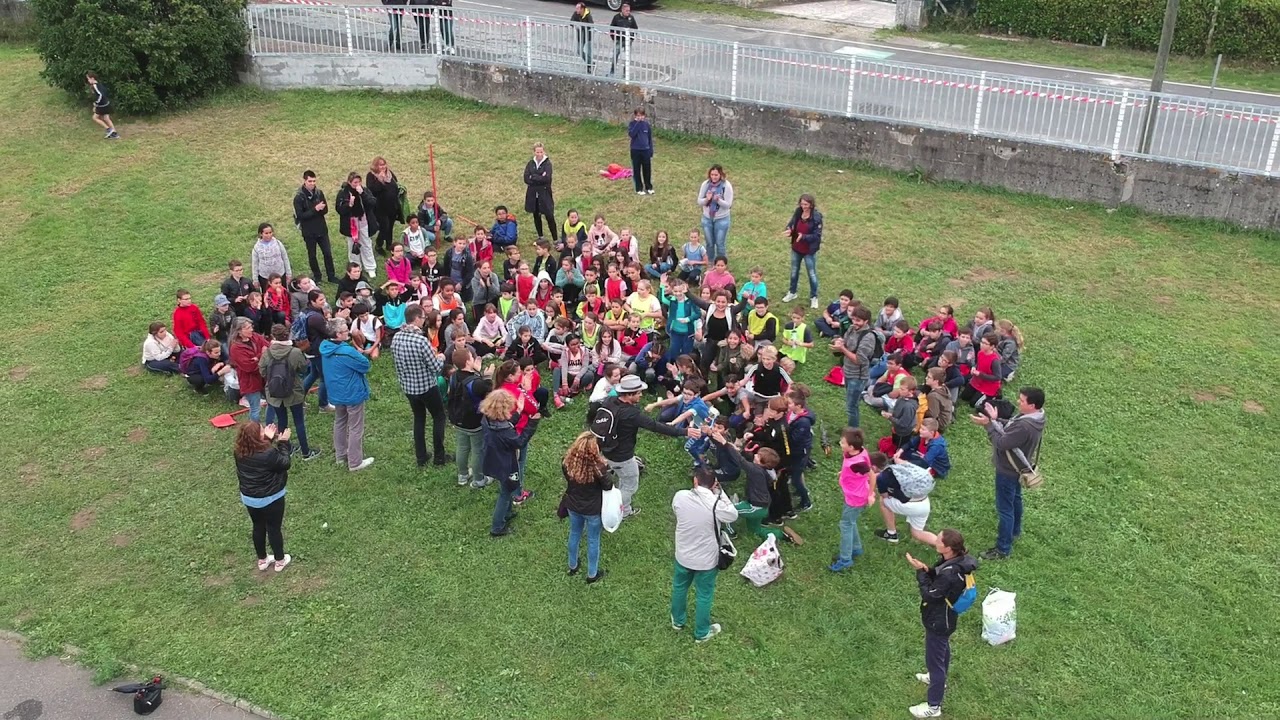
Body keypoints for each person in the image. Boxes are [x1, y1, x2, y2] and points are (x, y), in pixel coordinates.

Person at [591, 374, 700, 518]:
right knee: (630, 484)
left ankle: (621, 505)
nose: (641, 395)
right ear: (629, 394)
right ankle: (618, 512)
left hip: (607, 449)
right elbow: (655, 426)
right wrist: (684, 431)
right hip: (621, 456)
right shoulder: (631, 414)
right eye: (638, 392)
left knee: (624, 478)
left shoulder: (611, 400)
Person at [905, 529, 978, 718]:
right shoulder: (959, 561)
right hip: (947, 617)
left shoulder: (950, 574)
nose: (935, 540)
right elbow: (938, 578)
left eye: (938, 539)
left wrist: (920, 574)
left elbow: (931, 594)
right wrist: (925, 569)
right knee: (942, 649)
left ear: (947, 548)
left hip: (939, 621)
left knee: (934, 660)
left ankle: (933, 706)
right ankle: (938, 679)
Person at [971, 386, 1046, 560]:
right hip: (1018, 468)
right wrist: (997, 420)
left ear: (1032, 405)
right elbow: (1012, 429)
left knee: (1005, 509)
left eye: (1022, 400)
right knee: (1015, 499)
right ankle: (1015, 530)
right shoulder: (1037, 417)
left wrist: (989, 425)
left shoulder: (1025, 426)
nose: (1018, 402)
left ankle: (1003, 548)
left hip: (1008, 470)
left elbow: (1002, 442)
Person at [670, 467, 739, 643]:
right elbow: (733, 515)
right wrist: (721, 493)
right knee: (704, 595)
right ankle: (701, 633)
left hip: (683, 555)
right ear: (714, 484)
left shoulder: (680, 496)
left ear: (695, 481)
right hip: (706, 561)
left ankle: (677, 621)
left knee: (679, 587)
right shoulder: (716, 505)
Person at [391, 304, 449, 469]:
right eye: (423, 318)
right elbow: (436, 368)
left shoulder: (396, 337)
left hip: (408, 387)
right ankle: (439, 457)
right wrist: (441, 357)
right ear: (416, 319)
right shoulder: (421, 340)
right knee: (439, 417)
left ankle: (421, 457)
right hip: (426, 387)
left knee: (419, 418)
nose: (424, 321)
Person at [233, 421, 293, 573]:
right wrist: (283, 442)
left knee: (258, 526)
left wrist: (267, 439)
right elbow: (284, 463)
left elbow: (259, 452)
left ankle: (262, 560)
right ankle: (279, 561)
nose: (263, 432)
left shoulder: (239, 451)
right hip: (271, 497)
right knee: (273, 528)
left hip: (250, 498)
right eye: (261, 432)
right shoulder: (268, 454)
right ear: (255, 437)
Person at [482, 390, 541, 537]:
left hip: (493, 459)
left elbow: (505, 424)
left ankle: (507, 513)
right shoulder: (506, 431)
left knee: (506, 488)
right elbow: (519, 442)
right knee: (505, 492)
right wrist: (532, 423)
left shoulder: (488, 420)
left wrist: (519, 412)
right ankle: (497, 527)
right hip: (506, 464)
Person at [320, 318, 375, 472]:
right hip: (352, 393)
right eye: (345, 331)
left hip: (336, 392)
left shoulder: (325, 347)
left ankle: (341, 455)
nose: (348, 333)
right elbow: (365, 365)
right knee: (356, 427)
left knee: (340, 422)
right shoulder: (346, 352)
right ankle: (355, 462)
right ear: (338, 334)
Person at [260, 324, 318, 460]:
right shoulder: (295, 352)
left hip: (274, 393)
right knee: (299, 422)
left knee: (282, 421)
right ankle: (306, 452)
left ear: (273, 337)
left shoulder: (266, 353)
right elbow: (304, 369)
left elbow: (262, 371)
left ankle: (287, 449)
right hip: (294, 392)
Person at [562, 431, 614, 582]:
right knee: (593, 540)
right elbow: (608, 486)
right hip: (592, 510)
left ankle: (572, 565)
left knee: (574, 533)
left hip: (572, 505)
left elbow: (568, 479)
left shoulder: (567, 463)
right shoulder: (599, 468)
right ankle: (592, 574)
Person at [448, 347, 492, 488]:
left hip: (458, 418)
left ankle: (462, 475)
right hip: (474, 422)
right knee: (477, 449)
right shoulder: (477, 382)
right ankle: (479, 479)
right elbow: (487, 392)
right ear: (468, 362)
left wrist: (477, 372)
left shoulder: (454, 375)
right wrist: (487, 377)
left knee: (462, 446)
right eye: (472, 358)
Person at [871, 451, 937, 546]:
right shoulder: (898, 463)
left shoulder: (882, 477)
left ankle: (891, 534)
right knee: (917, 533)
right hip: (924, 502)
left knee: (883, 502)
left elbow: (886, 496)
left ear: (874, 467)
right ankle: (948, 547)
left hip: (912, 506)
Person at [831, 427, 874, 572]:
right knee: (850, 521)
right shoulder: (858, 451)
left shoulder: (858, 463)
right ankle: (856, 548)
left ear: (851, 446)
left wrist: (870, 494)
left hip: (855, 498)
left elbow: (872, 475)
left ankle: (845, 559)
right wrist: (844, 473)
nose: (840, 443)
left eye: (843, 442)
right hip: (853, 492)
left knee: (845, 525)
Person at [832, 306, 880, 428]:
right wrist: (840, 342)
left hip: (858, 377)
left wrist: (842, 349)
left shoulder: (869, 337)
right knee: (852, 404)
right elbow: (845, 341)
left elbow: (859, 360)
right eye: (853, 319)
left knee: (851, 407)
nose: (855, 323)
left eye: (858, 320)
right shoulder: (852, 329)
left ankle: (852, 434)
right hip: (848, 371)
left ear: (866, 321)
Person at [293, 170, 338, 284]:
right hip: (309, 231)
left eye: (314, 181)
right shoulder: (299, 197)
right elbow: (300, 216)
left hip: (321, 229)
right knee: (312, 255)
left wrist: (317, 210)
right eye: (310, 181)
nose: (312, 183)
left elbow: (326, 209)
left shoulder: (319, 193)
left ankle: (331, 275)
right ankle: (317, 276)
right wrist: (315, 209)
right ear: (304, 181)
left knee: (327, 253)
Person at [781, 194, 822, 309]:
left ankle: (814, 297)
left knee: (812, 274)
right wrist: (789, 230)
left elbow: (817, 236)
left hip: (809, 250)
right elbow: (792, 223)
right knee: (794, 271)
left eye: (806, 204)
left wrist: (803, 237)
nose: (803, 206)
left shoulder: (816, 217)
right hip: (796, 248)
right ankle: (792, 292)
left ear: (811, 205)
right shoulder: (798, 212)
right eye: (802, 204)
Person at [336, 172, 379, 278]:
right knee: (353, 245)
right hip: (351, 223)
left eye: (359, 182)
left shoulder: (364, 190)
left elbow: (373, 202)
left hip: (363, 220)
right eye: (355, 182)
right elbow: (339, 209)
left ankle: (370, 267)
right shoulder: (343, 193)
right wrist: (349, 204)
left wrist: (363, 194)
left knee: (366, 243)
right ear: (349, 182)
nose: (357, 184)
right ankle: (356, 267)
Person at [229, 317, 269, 423]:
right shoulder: (236, 348)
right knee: (255, 408)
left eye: (251, 326)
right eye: (247, 328)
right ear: (239, 331)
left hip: (264, 377)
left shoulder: (255, 337)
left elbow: (268, 346)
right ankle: (255, 432)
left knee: (272, 403)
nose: (251, 329)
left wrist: (257, 358)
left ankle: (271, 426)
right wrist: (262, 355)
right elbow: (249, 367)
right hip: (250, 382)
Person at [696, 165, 733, 263]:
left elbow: (728, 205)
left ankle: (721, 264)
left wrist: (718, 200)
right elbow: (699, 201)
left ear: (720, 175)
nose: (714, 177)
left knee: (720, 243)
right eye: (712, 174)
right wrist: (707, 199)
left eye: (716, 175)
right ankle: (711, 263)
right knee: (709, 243)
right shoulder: (706, 184)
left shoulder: (726, 185)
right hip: (707, 218)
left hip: (722, 219)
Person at [251, 223, 292, 293]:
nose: (269, 235)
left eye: (270, 232)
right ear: (261, 234)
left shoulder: (278, 243)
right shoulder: (257, 247)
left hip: (280, 274)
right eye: (266, 233)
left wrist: (288, 273)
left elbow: (285, 258)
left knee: (282, 294)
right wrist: (255, 279)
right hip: (265, 277)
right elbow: (255, 264)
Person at [86, 72, 119, 139]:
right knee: (106, 118)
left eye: (88, 79)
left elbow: (100, 95)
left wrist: (96, 104)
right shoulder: (99, 84)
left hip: (102, 105)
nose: (88, 81)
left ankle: (108, 130)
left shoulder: (95, 86)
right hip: (106, 103)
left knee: (95, 118)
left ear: (92, 78)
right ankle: (114, 134)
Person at [609, 5, 639, 77]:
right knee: (615, 55)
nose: (628, 12)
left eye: (629, 11)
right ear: (622, 10)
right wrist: (614, 38)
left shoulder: (631, 18)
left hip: (627, 40)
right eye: (626, 11)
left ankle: (625, 73)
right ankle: (612, 71)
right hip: (619, 40)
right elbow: (611, 28)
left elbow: (635, 28)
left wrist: (631, 38)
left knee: (627, 57)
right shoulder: (616, 17)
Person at [570, 2, 594, 73]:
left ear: (582, 9)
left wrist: (581, 27)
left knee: (588, 52)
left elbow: (591, 25)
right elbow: (571, 22)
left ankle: (589, 66)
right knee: (579, 50)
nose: (576, 10)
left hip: (588, 36)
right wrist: (576, 25)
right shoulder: (576, 14)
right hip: (580, 36)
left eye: (578, 8)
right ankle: (590, 63)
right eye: (576, 8)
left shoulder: (588, 15)